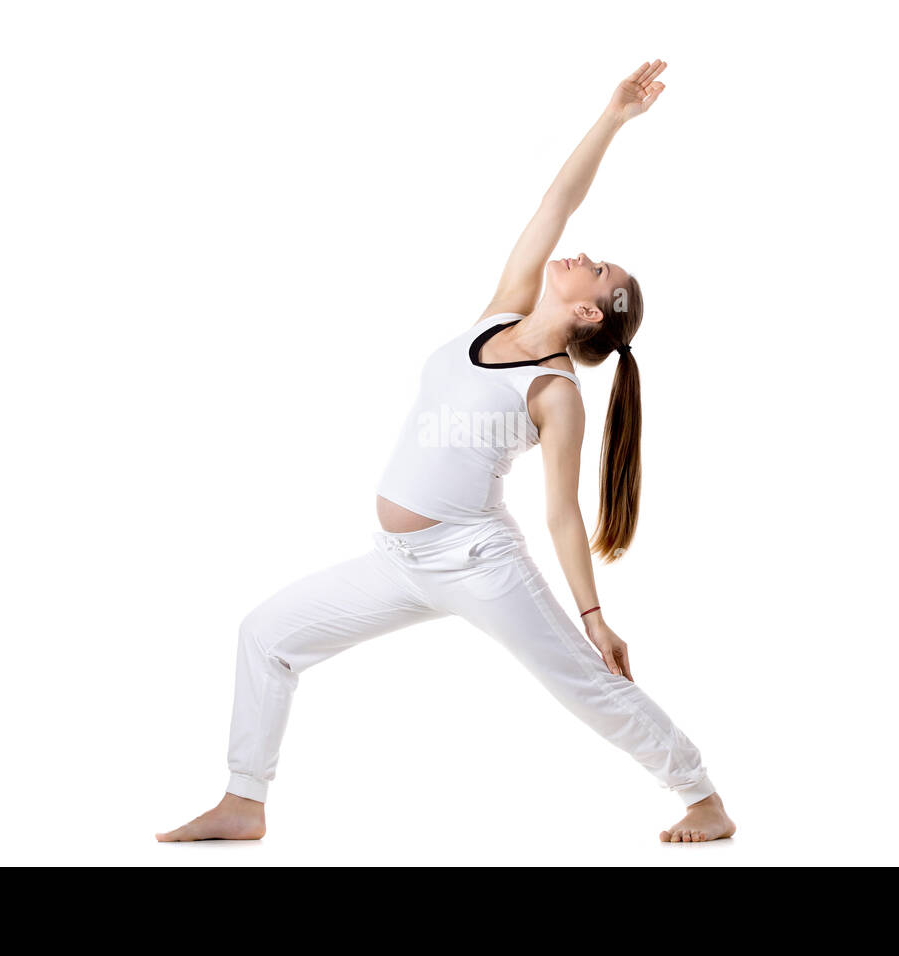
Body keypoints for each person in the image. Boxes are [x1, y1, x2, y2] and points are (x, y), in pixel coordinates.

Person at [157, 60, 736, 844]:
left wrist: (594, 617)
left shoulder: (554, 392)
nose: (579, 253)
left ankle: (701, 794)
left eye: (595, 267)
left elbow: (562, 514)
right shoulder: (499, 315)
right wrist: (613, 117)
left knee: (582, 683)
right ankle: (244, 802)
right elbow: (555, 202)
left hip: (476, 560)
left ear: (593, 310)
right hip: (397, 558)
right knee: (266, 635)